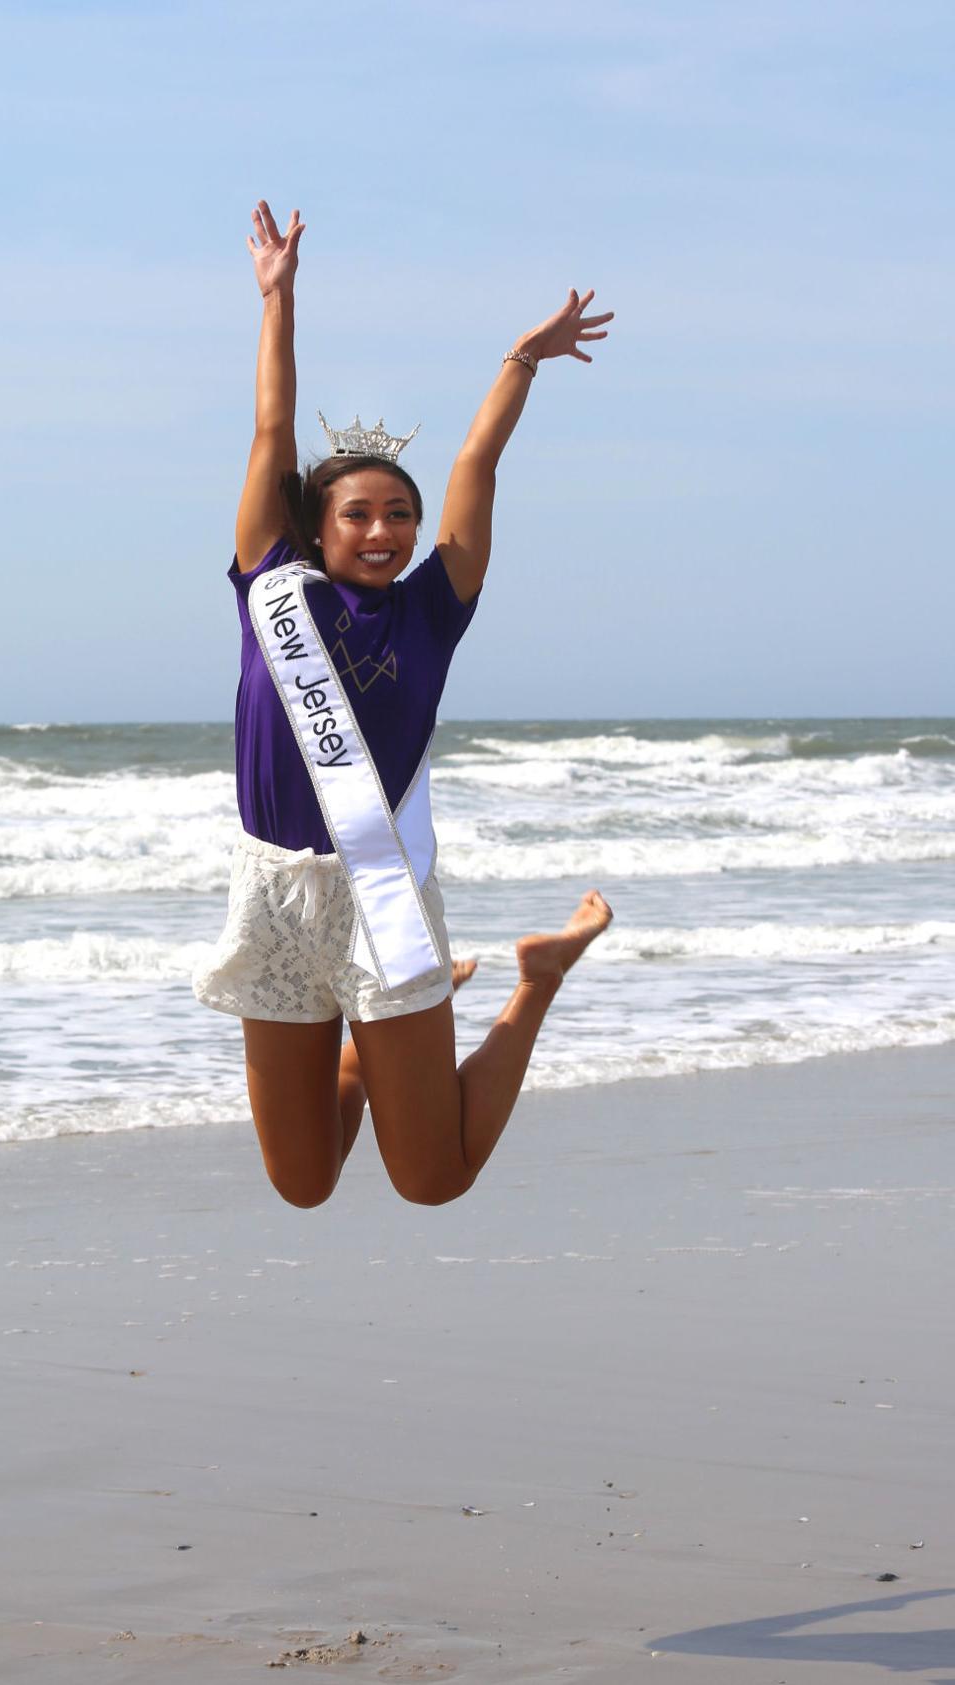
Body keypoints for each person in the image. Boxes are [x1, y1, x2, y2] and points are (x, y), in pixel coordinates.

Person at [193, 199, 614, 1208]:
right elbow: (271, 427)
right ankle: (375, 1050)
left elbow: (476, 466)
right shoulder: (272, 587)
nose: (382, 530)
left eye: (400, 514)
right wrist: (277, 299)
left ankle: (538, 977)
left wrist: (522, 359)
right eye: (358, 513)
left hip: (383, 901)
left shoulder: (431, 610)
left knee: (432, 1178)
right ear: (315, 522)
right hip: (276, 901)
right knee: (303, 1184)